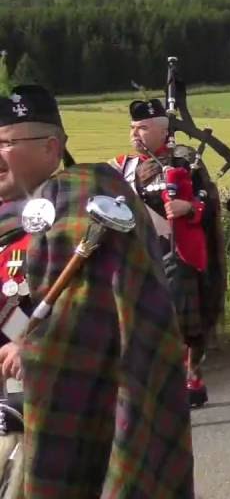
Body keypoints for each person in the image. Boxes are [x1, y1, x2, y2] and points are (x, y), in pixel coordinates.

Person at [0, 85, 194, 496]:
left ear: (50, 147)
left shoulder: (80, 202)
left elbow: (92, 313)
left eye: (5, 143)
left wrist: (32, 346)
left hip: (43, 402)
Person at [111, 98, 224, 409]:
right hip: (134, 256)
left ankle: (192, 376)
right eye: (133, 128)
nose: (136, 134)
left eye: (143, 128)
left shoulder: (184, 160)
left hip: (176, 250)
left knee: (185, 324)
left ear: (163, 132)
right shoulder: (120, 167)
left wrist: (190, 207)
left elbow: (209, 200)